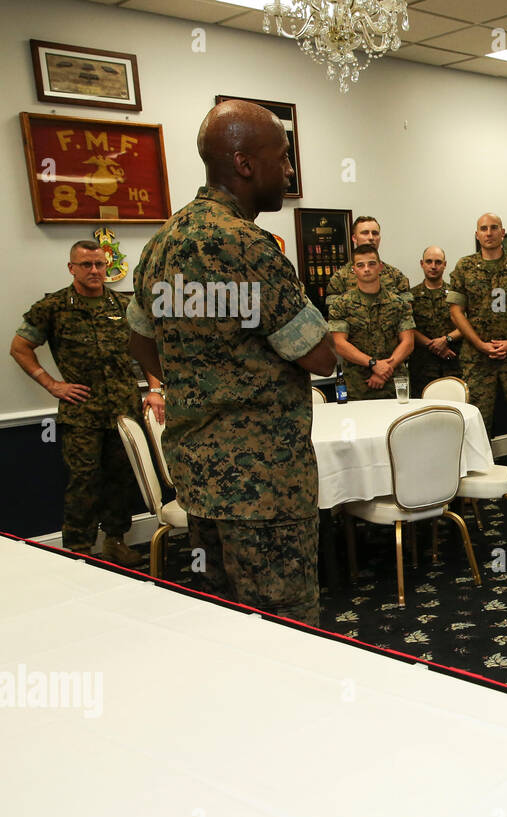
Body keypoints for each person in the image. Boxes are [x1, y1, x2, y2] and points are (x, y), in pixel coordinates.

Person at [127, 99, 336, 625]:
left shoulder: (161, 244)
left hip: (199, 479)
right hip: (266, 487)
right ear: (244, 164)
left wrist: (192, 377)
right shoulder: (248, 247)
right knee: (287, 627)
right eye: (283, 157)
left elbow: (137, 338)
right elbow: (321, 357)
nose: (289, 171)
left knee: (223, 623)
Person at [10, 240, 163, 568]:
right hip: (82, 413)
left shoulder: (124, 304)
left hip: (124, 409)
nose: (94, 271)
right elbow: (20, 347)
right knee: (84, 481)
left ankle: (116, 541)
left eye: (99, 264)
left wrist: (154, 389)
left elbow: (147, 347)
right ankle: (77, 550)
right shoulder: (53, 307)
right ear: (72, 268)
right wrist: (51, 384)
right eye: (86, 265)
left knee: (122, 478)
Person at [446, 213, 507, 447]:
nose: (488, 233)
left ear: (502, 232)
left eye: (493, 228)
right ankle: (480, 471)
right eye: (483, 229)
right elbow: (456, 312)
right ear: (477, 234)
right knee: (476, 417)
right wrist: (479, 344)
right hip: (478, 357)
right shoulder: (464, 266)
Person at [328, 244, 414, 401]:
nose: (366, 269)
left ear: (380, 267)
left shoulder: (398, 303)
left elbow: (408, 342)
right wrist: (373, 364)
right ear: (353, 269)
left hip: (394, 384)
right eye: (360, 265)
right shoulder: (341, 304)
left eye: (372, 264)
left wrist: (385, 369)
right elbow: (339, 343)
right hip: (358, 385)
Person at [324, 216, 410, 312]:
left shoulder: (395, 275)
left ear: (379, 238)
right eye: (365, 233)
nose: (371, 237)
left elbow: (407, 310)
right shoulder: (340, 278)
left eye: (375, 233)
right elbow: (334, 312)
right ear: (354, 238)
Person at [409, 245, 462, 396]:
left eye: (438, 262)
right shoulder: (411, 296)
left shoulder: (456, 294)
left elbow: (467, 325)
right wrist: (436, 346)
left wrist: (447, 339)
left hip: (453, 365)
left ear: (445, 265)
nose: (433, 266)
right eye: (429, 261)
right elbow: (408, 329)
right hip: (422, 367)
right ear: (422, 263)